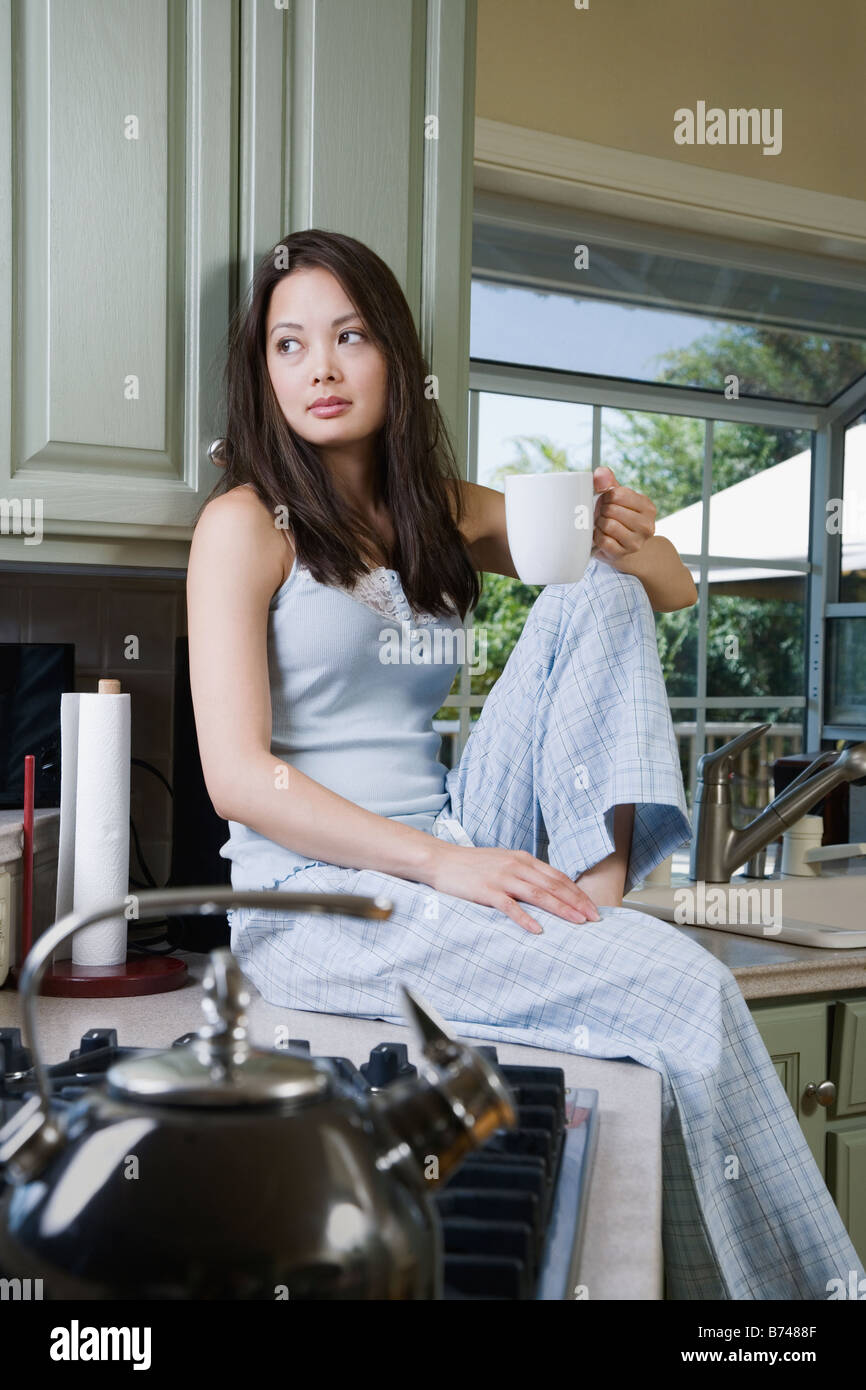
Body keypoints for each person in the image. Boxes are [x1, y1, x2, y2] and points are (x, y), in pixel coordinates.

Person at [186, 228, 864, 1300]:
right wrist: (439, 866)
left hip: (452, 834)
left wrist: (628, 534)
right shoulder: (245, 526)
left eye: (348, 336)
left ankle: (585, 904)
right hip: (314, 902)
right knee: (686, 992)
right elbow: (234, 775)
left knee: (589, 584)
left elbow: (667, 589)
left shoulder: (434, 508)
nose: (318, 367)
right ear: (261, 371)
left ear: (395, 360)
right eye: (288, 344)